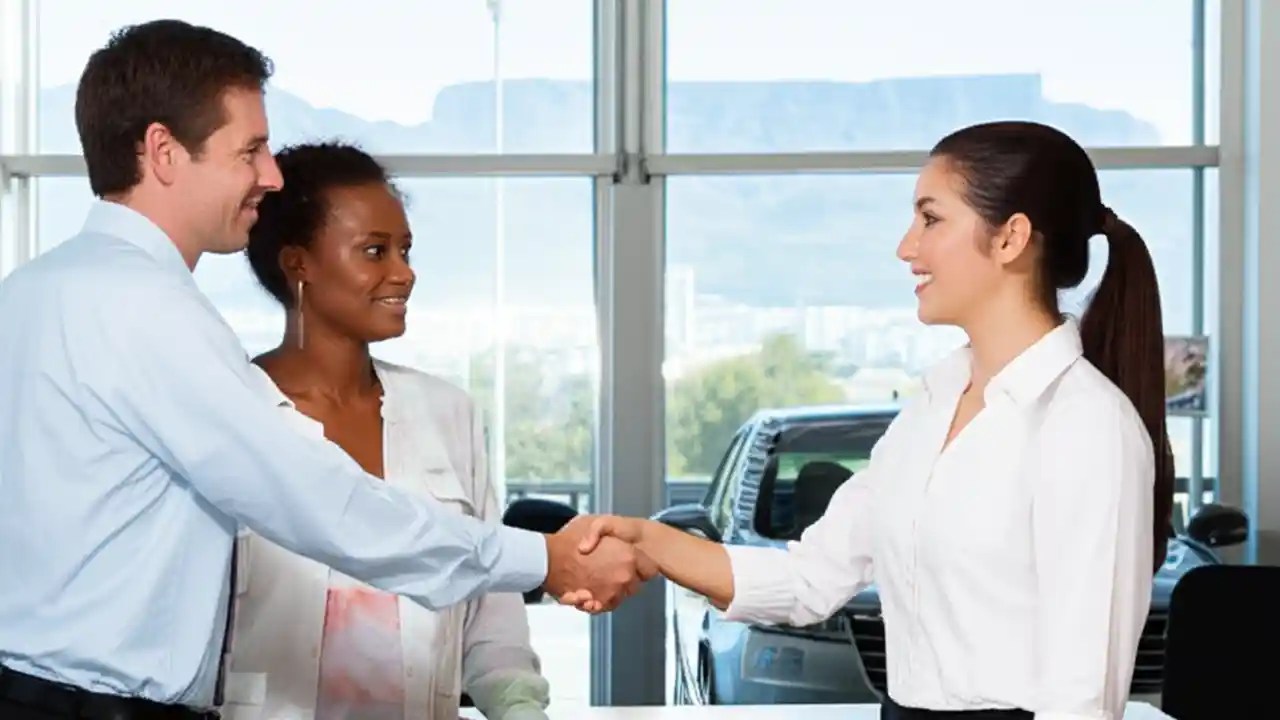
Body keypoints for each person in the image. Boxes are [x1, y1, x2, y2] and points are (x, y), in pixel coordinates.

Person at [0, 20, 646, 720]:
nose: (269, 176)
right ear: (163, 152)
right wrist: (549, 560)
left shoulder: (32, 293)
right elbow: (325, 503)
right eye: (249, 150)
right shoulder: (149, 312)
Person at [570, 121, 1174, 720]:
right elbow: (809, 581)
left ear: (1010, 238)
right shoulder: (931, 410)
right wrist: (650, 542)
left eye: (931, 219)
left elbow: (1082, 701)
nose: (907, 247)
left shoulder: (1089, 426)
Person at [218, 142, 549, 720]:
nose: (404, 273)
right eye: (374, 251)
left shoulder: (448, 411)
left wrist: (519, 707)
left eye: (404, 249)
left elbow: (492, 611)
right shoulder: (229, 415)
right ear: (299, 264)